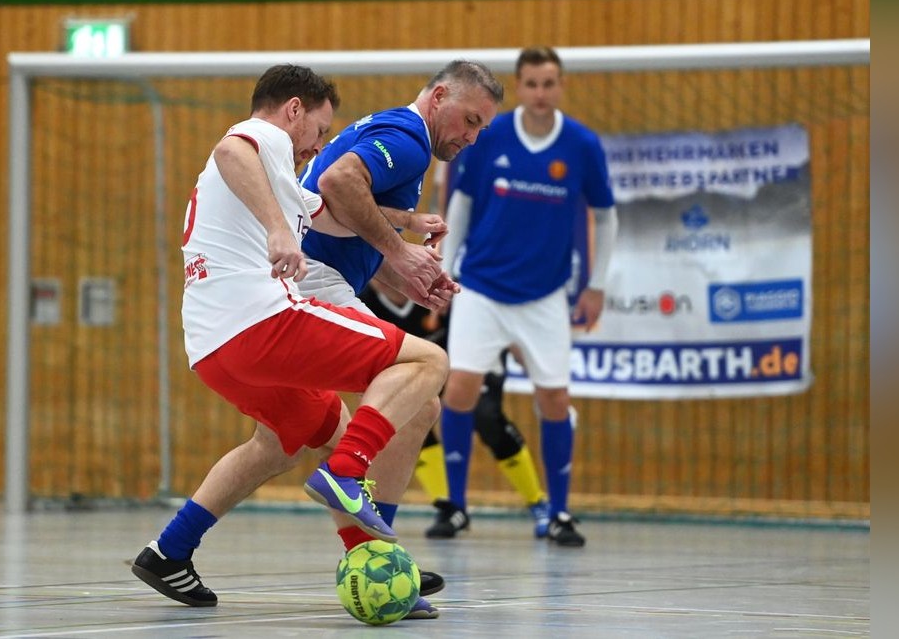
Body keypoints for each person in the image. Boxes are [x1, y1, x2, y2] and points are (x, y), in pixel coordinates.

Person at [132, 61, 503, 618]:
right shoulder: (264, 137)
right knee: (427, 366)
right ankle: (353, 485)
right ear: (293, 110)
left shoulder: (286, 176)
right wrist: (280, 230)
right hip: (260, 320)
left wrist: (404, 235)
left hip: (211, 348)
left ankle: (170, 551)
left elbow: (327, 210)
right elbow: (234, 151)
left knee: (300, 440)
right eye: (321, 130)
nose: (321, 145)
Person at [437, 46, 619, 548]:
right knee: (459, 389)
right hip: (481, 286)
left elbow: (606, 216)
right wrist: (445, 272)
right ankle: (455, 506)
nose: (540, 93)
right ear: (519, 87)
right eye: (532, 83)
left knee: (555, 399)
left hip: (544, 294)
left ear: (561, 86)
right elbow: (461, 204)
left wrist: (598, 284)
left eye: (549, 83)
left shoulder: (581, 144)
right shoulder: (490, 135)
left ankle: (559, 513)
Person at [359, 277, 553, 541]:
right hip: (419, 371)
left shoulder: (438, 290)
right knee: (408, 417)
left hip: (466, 362)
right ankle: (449, 507)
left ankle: (538, 502)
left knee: (487, 417)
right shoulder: (364, 302)